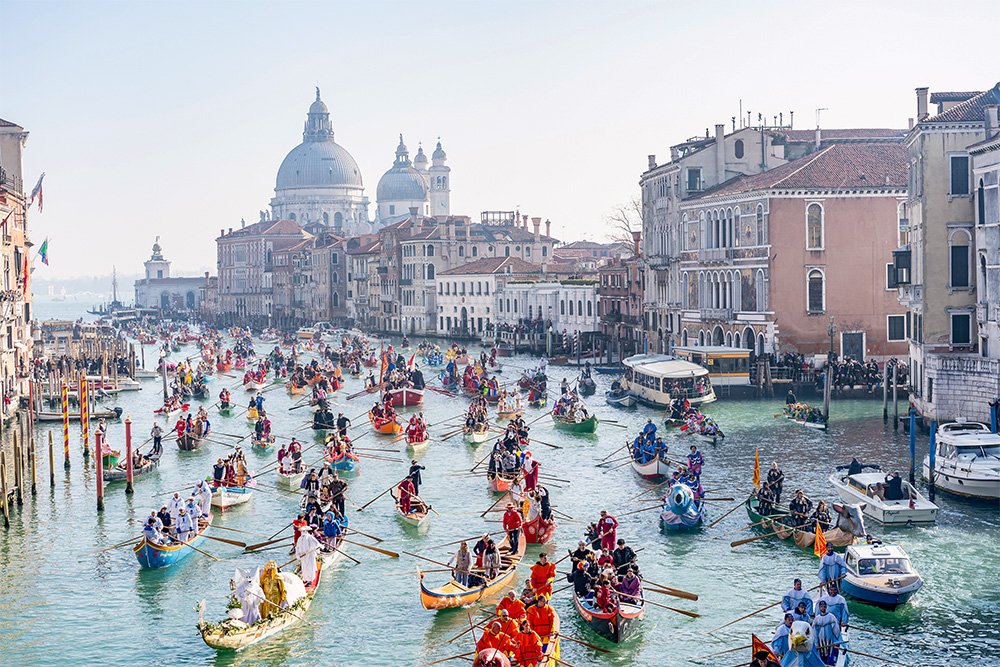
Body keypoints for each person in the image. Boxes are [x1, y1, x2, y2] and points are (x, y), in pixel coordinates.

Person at [812, 600, 842, 665]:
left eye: (824, 607)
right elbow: (815, 632)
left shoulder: (831, 617)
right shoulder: (817, 619)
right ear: (819, 608)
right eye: (821, 607)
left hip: (830, 641)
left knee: (830, 656)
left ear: (826, 607)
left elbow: (836, 630)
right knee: (822, 657)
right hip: (821, 641)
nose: (823, 608)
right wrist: (816, 643)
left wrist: (836, 641)